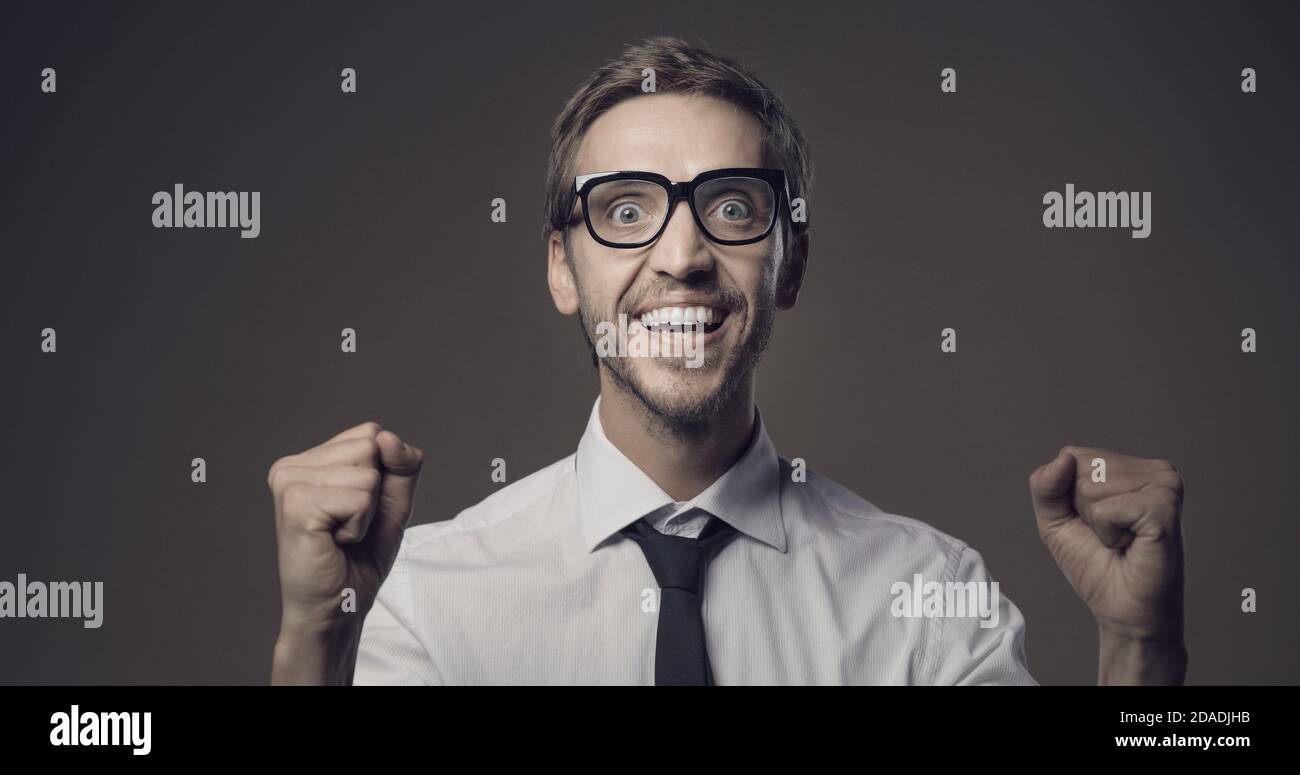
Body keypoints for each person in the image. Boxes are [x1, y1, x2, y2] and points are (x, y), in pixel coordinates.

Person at [267, 35, 1187, 685]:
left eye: (734, 206)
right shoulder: (424, 596)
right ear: (560, 265)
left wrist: (1140, 652)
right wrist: (314, 642)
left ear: (790, 263)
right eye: (626, 210)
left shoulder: (930, 599)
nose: (681, 255)